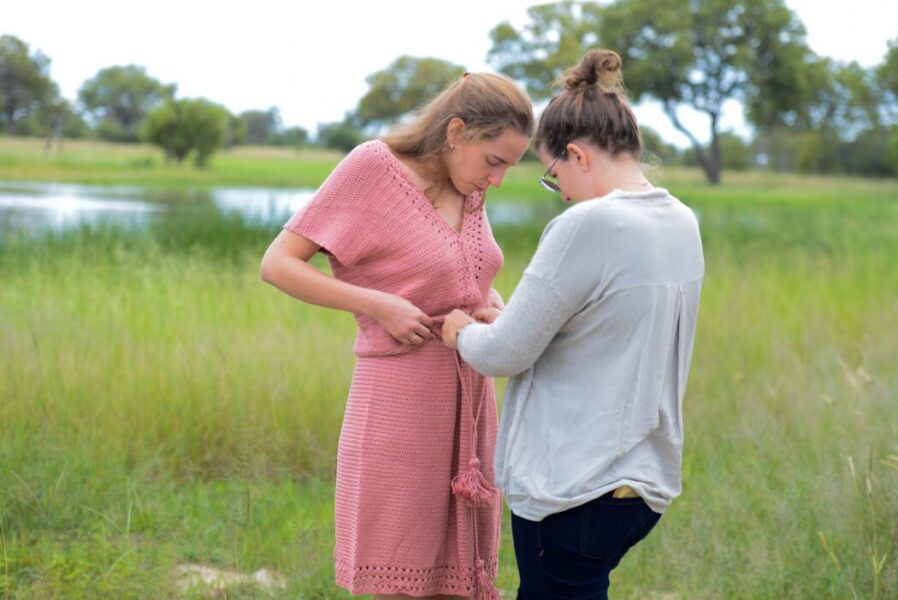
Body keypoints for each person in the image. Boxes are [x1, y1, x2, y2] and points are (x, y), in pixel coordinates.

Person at [441, 49, 705, 599]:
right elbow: (605, 325)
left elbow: (501, 356)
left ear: (578, 156)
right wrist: (512, 320)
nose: (557, 189)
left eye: (552, 172)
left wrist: (462, 330)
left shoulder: (586, 223)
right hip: (640, 489)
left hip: (573, 488)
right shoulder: (681, 221)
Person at [260, 72, 533, 599]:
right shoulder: (373, 168)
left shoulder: (468, 189)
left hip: (471, 411)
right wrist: (374, 304)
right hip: (398, 410)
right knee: (400, 582)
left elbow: (464, 276)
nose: (497, 179)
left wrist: (491, 305)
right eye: (493, 161)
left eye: (509, 167)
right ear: (457, 131)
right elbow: (278, 264)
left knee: (463, 585)